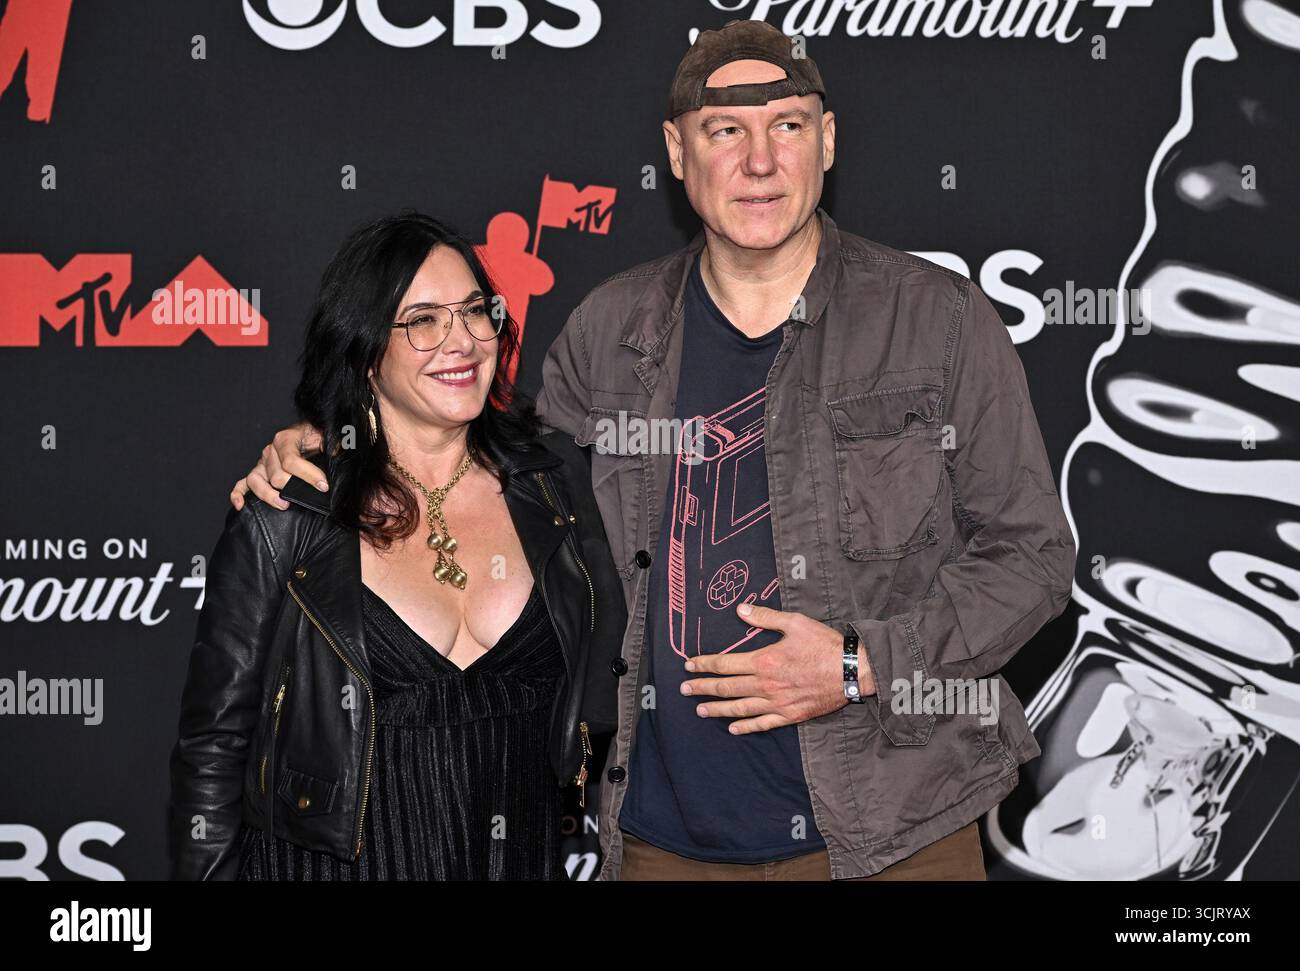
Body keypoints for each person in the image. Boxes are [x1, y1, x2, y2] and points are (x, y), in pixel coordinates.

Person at [232, 20, 1077, 881]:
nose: (760, 162)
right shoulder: (610, 331)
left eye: (787, 126)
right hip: (661, 845)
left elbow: (1035, 557)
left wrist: (860, 662)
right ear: (677, 152)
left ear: (827, 140)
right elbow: (492, 466)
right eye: (725, 131)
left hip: (898, 832)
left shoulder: (938, 321)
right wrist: (344, 437)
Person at [169, 211, 626, 880]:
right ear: (363, 353)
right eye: (423, 321)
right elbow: (213, 747)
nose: (462, 341)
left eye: (475, 311)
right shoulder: (289, 514)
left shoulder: (553, 483)